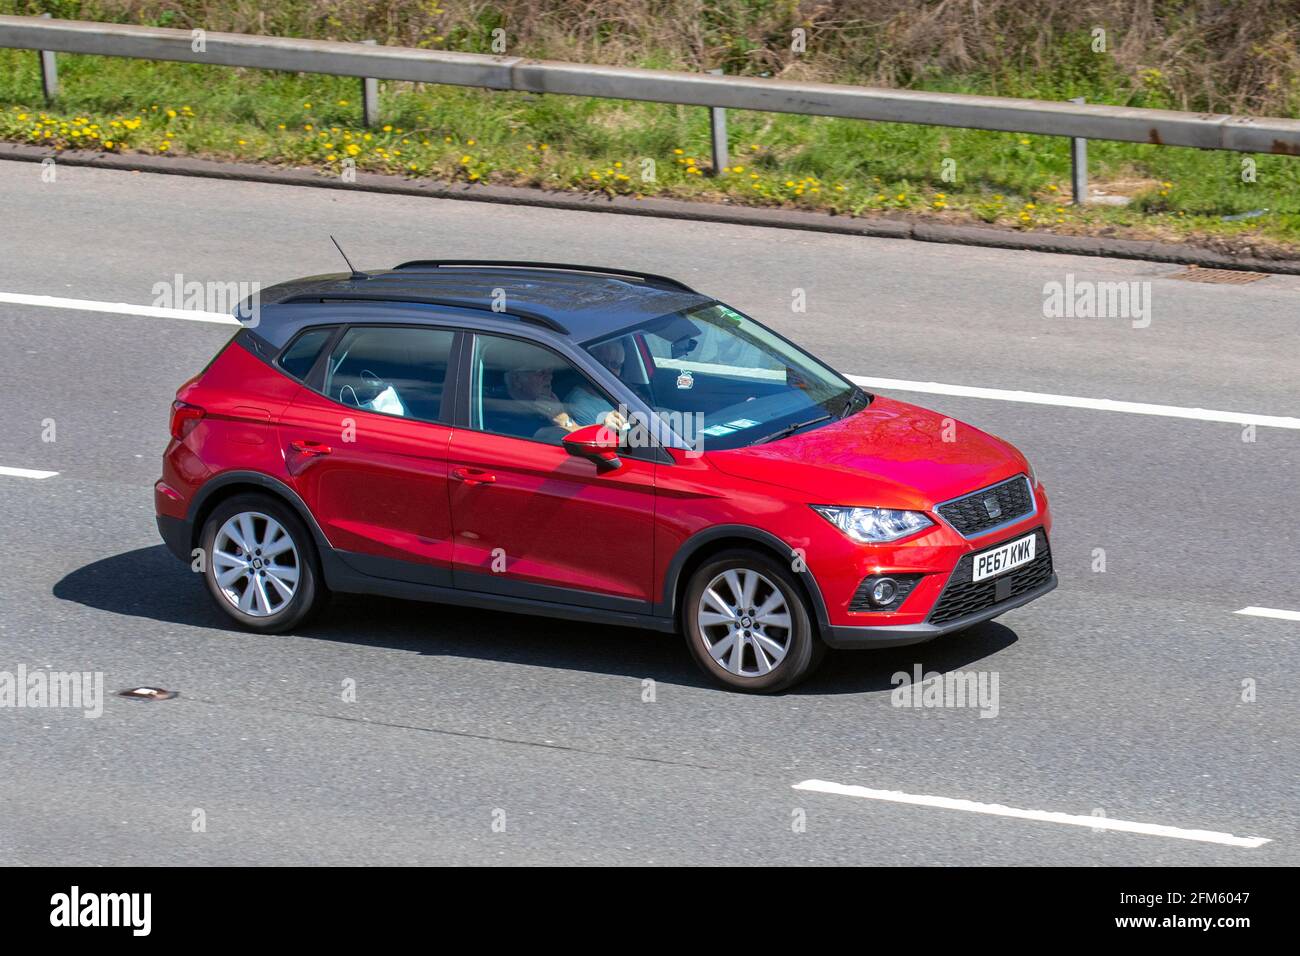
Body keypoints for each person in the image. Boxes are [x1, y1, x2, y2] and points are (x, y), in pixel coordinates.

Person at [565, 340, 629, 431]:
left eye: (616, 365)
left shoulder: (625, 393)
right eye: (604, 364)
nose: (610, 371)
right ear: (592, 363)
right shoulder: (579, 404)